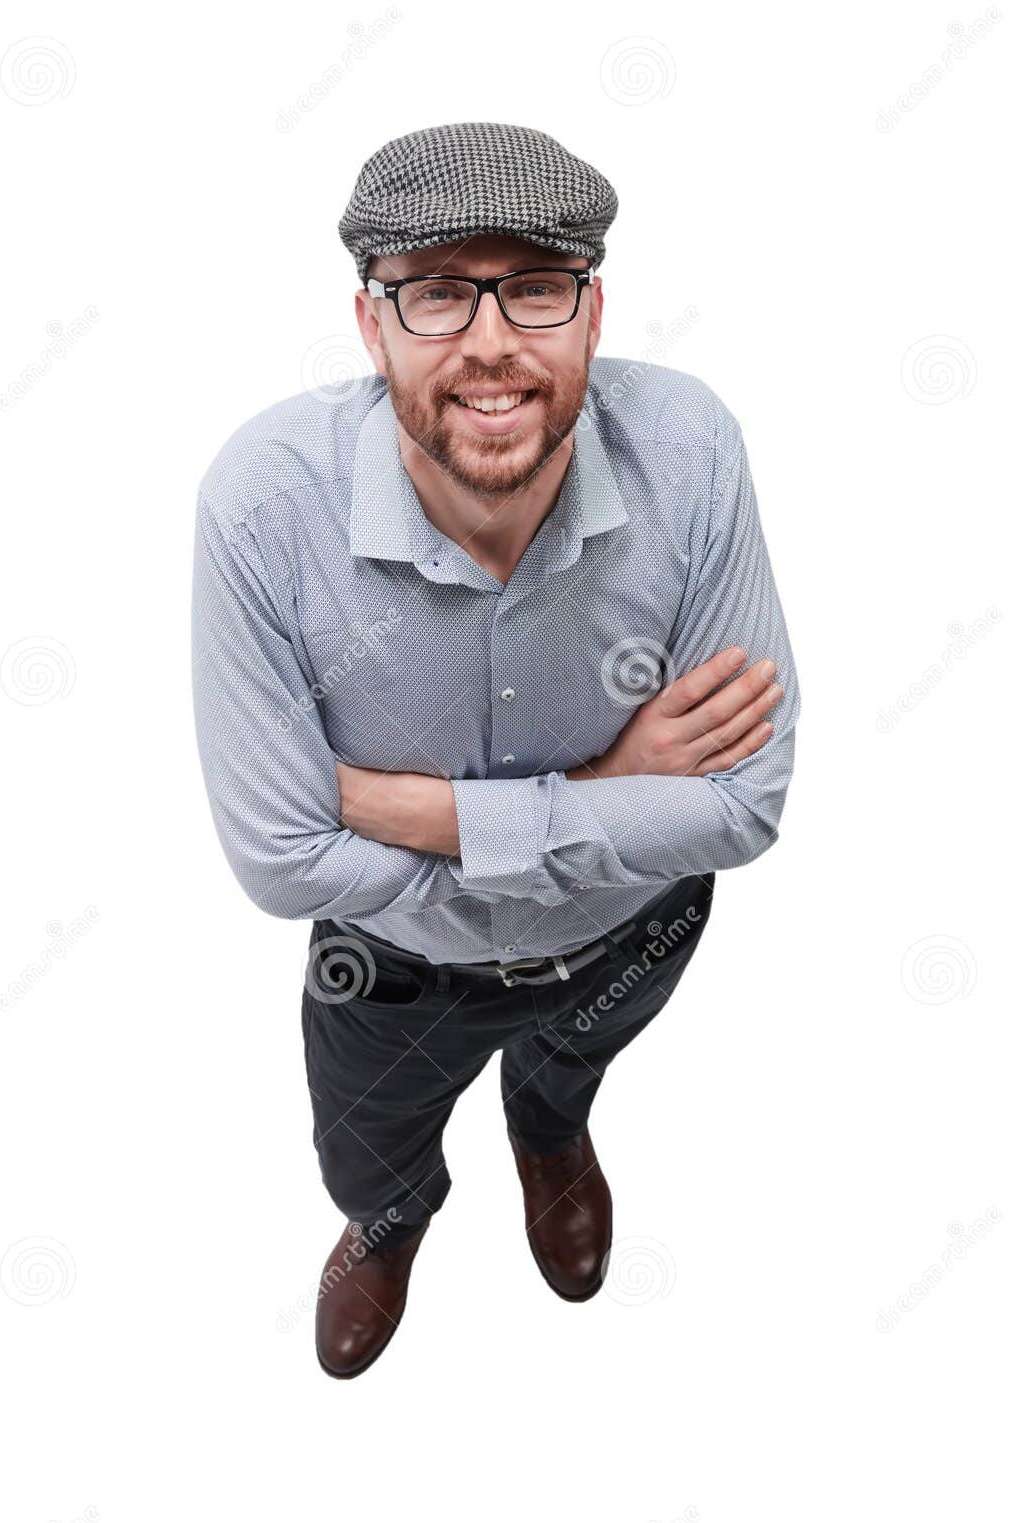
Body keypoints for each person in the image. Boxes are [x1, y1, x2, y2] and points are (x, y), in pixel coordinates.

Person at [191, 121, 801, 1380]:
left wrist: (425, 812)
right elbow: (280, 861)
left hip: (632, 925)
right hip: (396, 958)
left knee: (573, 1056)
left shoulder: (688, 450)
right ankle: (393, 1215)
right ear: (371, 328)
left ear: (591, 315)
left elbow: (740, 807)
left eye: (533, 286)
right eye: (433, 293)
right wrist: (611, 792)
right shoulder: (262, 503)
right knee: (365, 1142)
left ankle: (549, 1128)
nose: (487, 341)